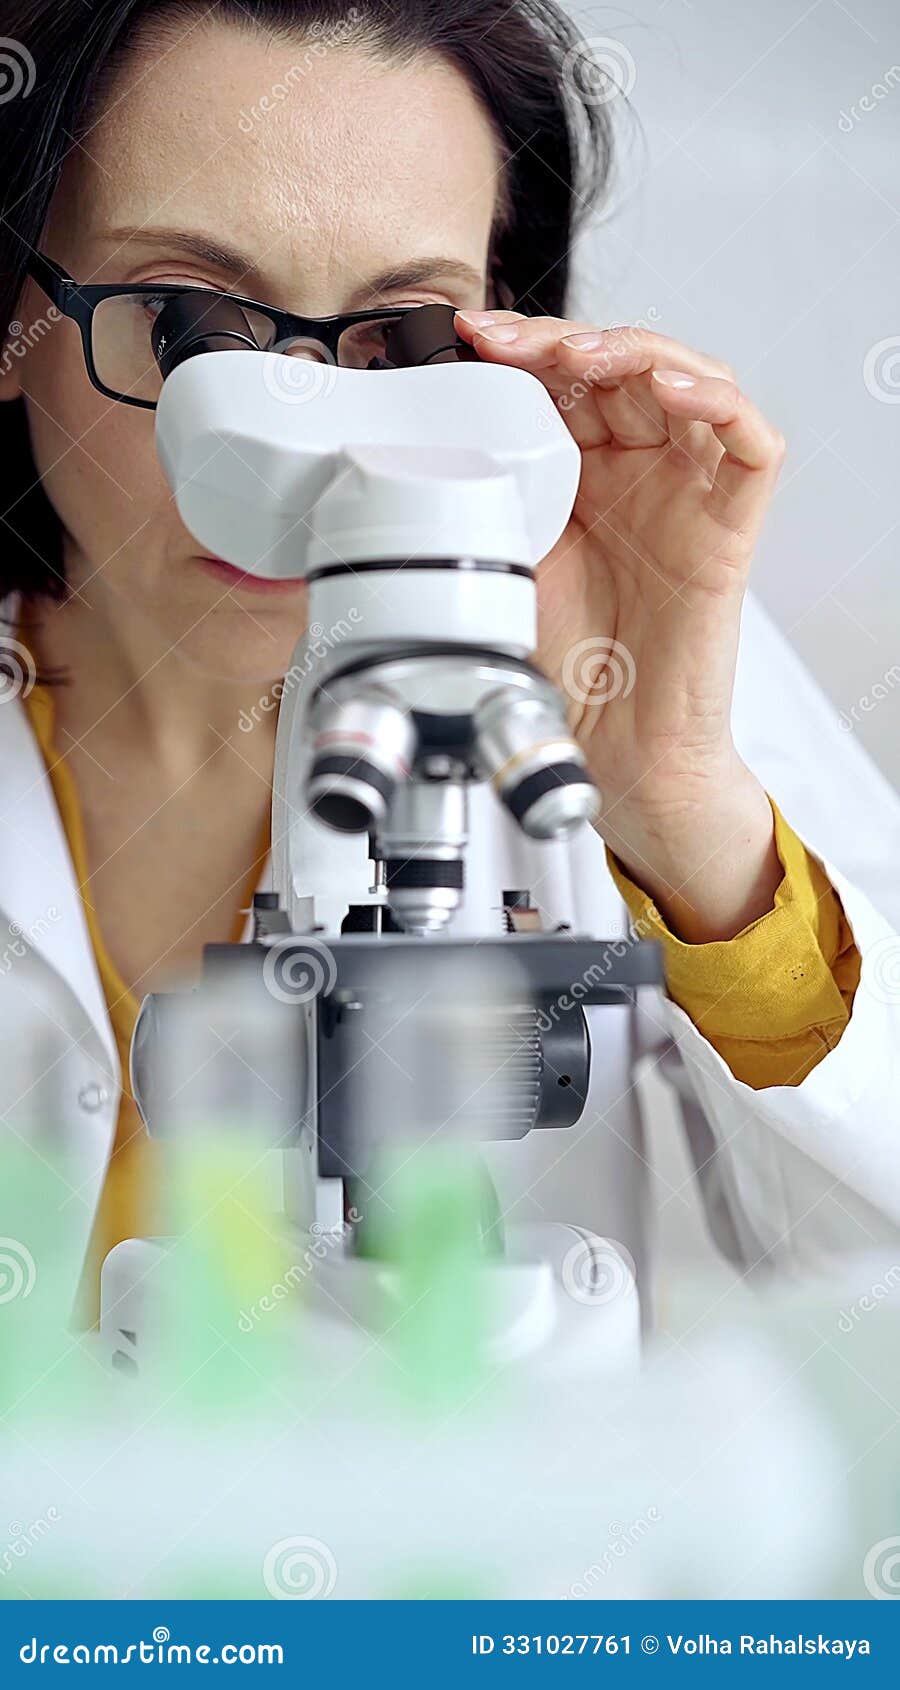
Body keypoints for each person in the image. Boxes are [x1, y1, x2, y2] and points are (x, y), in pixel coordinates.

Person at [1, 0, 898, 1326]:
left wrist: (680, 807)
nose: (301, 445)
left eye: (404, 341)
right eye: (188, 322)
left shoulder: (617, 652)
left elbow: (867, 1277)